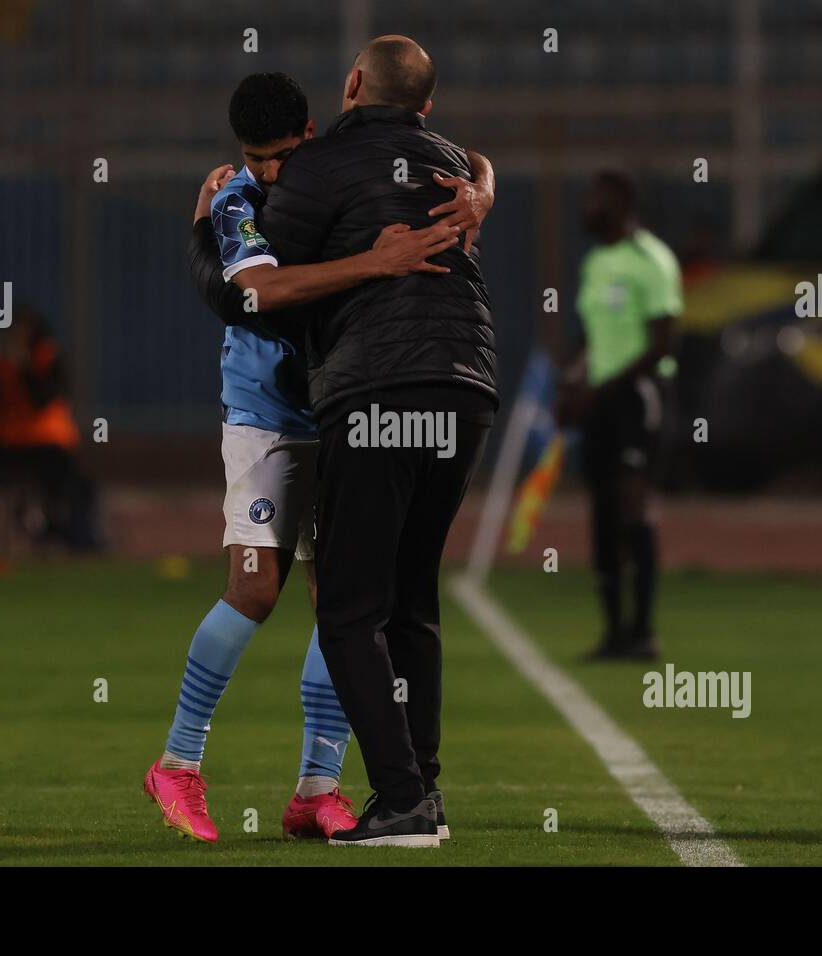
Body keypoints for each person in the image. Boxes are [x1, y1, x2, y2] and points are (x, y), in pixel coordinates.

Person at [145, 70, 494, 844]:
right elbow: (258, 294)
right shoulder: (236, 198)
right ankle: (179, 761)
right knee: (256, 588)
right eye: (253, 157)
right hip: (265, 414)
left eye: (277, 155)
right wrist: (377, 263)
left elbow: (453, 151)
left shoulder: (339, 165)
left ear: (309, 135)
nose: (268, 171)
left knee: (345, 598)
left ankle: (316, 785)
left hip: (339, 407)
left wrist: (483, 187)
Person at [257, 35, 498, 848]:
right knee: (411, 604)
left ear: (355, 83)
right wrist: (484, 187)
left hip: (376, 390)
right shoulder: (453, 167)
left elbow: (261, 288)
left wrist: (207, 231)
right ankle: (422, 792)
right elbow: (478, 156)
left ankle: (400, 801)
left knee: (351, 608)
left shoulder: (320, 165)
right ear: (425, 103)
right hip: (464, 388)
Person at [555, 171, 681, 660]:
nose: (586, 208)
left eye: (595, 199)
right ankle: (613, 633)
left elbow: (664, 343)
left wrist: (600, 389)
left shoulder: (652, 260)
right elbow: (590, 335)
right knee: (602, 513)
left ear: (621, 202)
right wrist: (571, 380)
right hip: (600, 401)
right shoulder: (596, 262)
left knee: (634, 509)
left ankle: (644, 631)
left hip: (638, 396)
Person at [0, 305, 100, 550]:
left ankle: (69, 536)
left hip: (44, 445)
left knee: (71, 484)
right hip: (2, 443)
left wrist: (24, 366)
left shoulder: (47, 357)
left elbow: (44, 398)